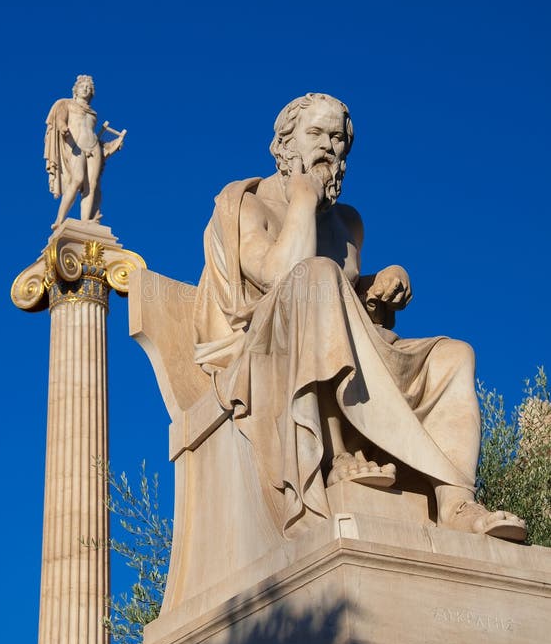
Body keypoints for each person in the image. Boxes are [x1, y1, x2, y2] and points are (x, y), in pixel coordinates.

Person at [193, 92, 526, 541]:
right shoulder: (246, 205)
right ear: (285, 144)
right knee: (316, 274)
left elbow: (345, 297)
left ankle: (454, 501)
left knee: (453, 356)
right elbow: (281, 276)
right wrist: (302, 199)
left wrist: (379, 284)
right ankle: (335, 455)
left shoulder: (348, 223)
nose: (328, 147)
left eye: (337, 138)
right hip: (268, 351)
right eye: (315, 133)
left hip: (345, 337)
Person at [44, 75, 125, 228]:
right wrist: (62, 127)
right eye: (83, 86)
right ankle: (59, 220)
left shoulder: (93, 113)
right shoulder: (65, 104)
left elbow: (91, 132)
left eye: (89, 87)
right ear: (75, 90)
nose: (86, 89)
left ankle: (86, 221)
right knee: (77, 179)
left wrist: (111, 145)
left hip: (94, 146)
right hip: (76, 146)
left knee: (92, 185)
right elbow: (60, 119)